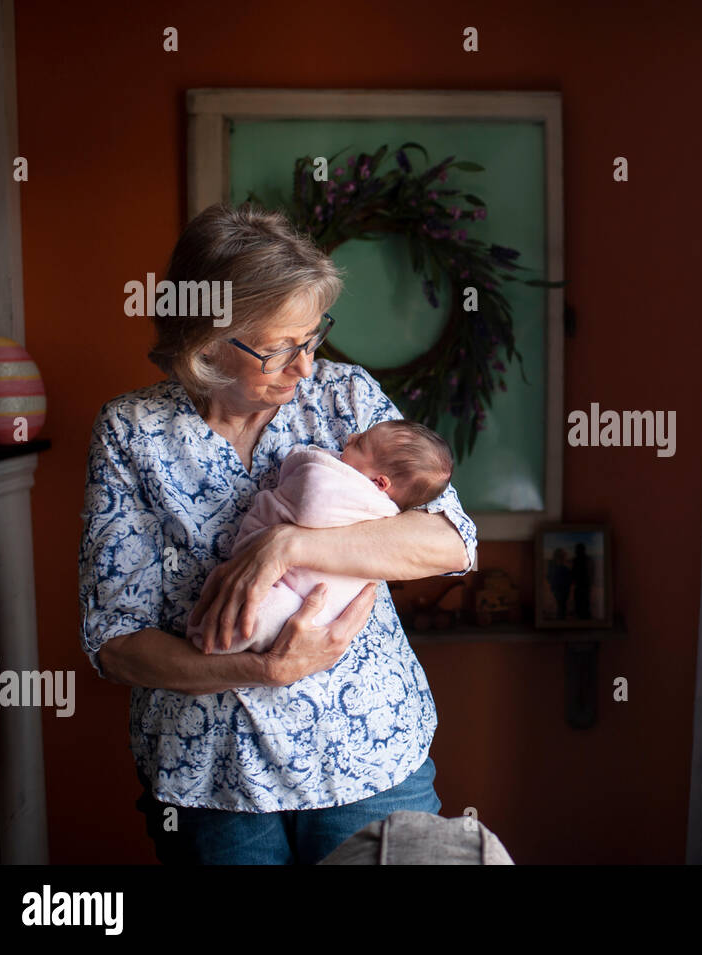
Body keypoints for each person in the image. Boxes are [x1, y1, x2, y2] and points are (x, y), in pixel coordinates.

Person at [78, 202, 477, 865]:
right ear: (207, 342)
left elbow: (450, 542)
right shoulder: (132, 432)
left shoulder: (346, 398)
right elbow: (114, 641)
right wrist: (258, 668)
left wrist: (290, 544)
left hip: (366, 757)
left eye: (313, 337)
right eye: (280, 346)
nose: (304, 366)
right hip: (211, 779)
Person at [185, 419, 454, 655]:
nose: (350, 437)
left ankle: (219, 640)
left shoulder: (368, 502)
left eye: (359, 445)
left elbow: (314, 504)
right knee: (237, 595)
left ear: (379, 484)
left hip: (309, 600)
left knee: (262, 613)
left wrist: (291, 544)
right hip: (289, 588)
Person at [571, 542, 594, 620]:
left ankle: (583, 616)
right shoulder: (586, 559)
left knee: (582, 602)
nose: (575, 551)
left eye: (577, 550)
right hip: (583, 585)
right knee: (583, 602)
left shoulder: (577, 560)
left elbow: (574, 572)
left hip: (582, 585)